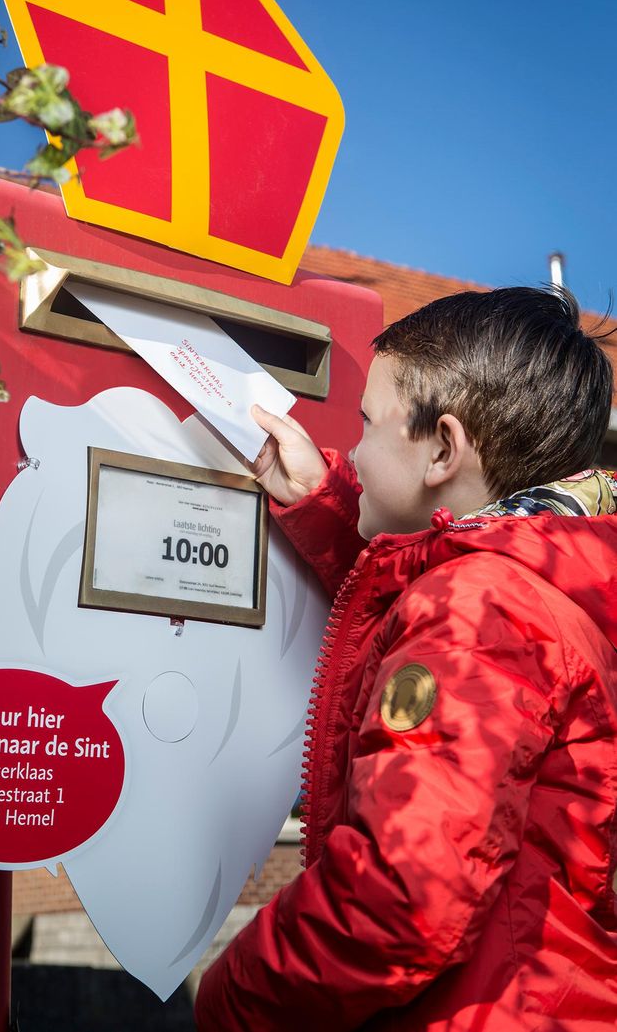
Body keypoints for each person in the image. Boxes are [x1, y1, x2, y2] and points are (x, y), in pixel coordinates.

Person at [194, 287, 617, 1031]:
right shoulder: (535, 581)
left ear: (443, 449)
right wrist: (328, 499)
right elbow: (416, 588)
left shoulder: (477, 609)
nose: (354, 449)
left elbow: (400, 895)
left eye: (367, 423)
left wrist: (230, 998)